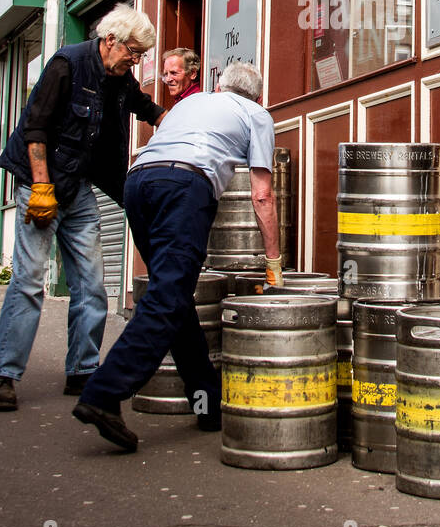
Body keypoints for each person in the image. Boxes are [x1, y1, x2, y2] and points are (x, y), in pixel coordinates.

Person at [72, 60, 283, 452]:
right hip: (184, 186)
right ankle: (103, 393)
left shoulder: (193, 102)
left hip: (139, 183)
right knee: (168, 298)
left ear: (221, 88)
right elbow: (262, 194)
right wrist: (273, 263)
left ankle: (206, 404)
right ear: (257, 96)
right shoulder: (256, 114)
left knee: (176, 296)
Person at [0, 5, 164, 412]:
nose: (136, 60)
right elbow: (36, 128)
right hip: (41, 183)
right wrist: (42, 187)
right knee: (29, 283)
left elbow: (146, 107)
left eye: (141, 55)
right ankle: (2, 374)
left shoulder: (119, 77)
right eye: (133, 51)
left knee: (92, 286)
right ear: (111, 40)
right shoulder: (67, 65)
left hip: (78, 189)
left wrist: (176, 119)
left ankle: (82, 371)